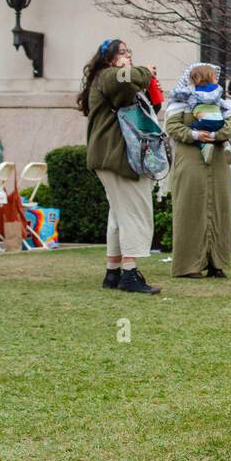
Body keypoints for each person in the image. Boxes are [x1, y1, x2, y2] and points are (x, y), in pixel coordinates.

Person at [80, 39, 161, 294]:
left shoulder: (108, 78)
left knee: (118, 215)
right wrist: (146, 71)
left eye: (129, 51)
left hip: (110, 156)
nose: (127, 56)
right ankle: (129, 274)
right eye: (122, 52)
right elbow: (127, 80)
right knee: (135, 213)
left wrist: (142, 77)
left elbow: (139, 97)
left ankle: (113, 272)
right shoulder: (109, 76)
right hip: (117, 157)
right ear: (108, 58)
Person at [166, 63, 231, 280]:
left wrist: (215, 137)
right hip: (190, 161)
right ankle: (189, 266)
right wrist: (195, 135)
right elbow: (172, 127)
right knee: (189, 209)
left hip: (217, 161)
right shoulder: (181, 102)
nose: (217, 79)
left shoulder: (223, 102)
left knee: (219, 209)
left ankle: (217, 264)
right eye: (213, 75)